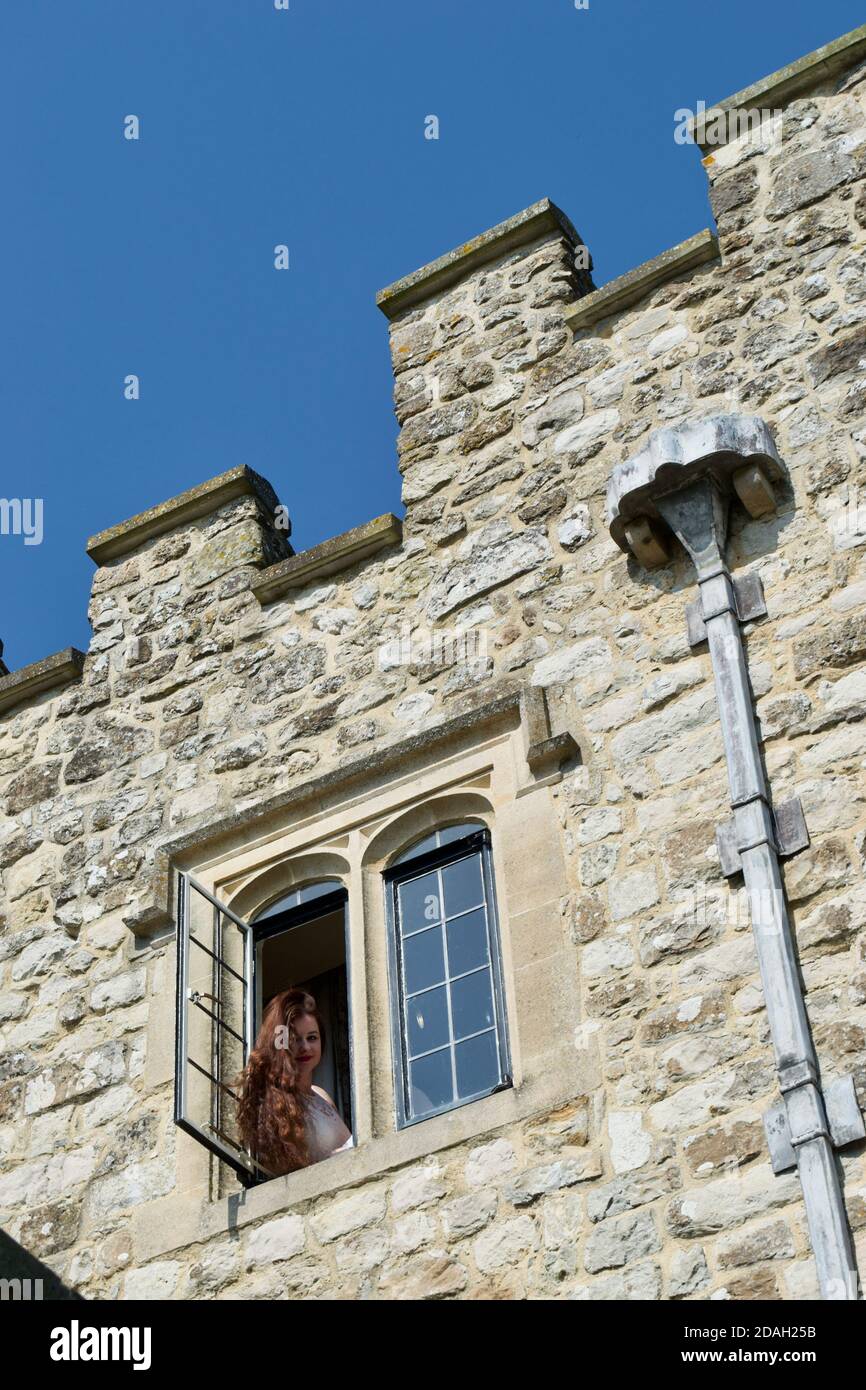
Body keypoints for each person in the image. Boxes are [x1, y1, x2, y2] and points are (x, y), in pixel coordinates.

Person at [236, 987, 352, 1176]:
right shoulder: (273, 1103)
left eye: (312, 1037)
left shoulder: (321, 1095)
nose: (305, 1047)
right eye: (294, 1039)